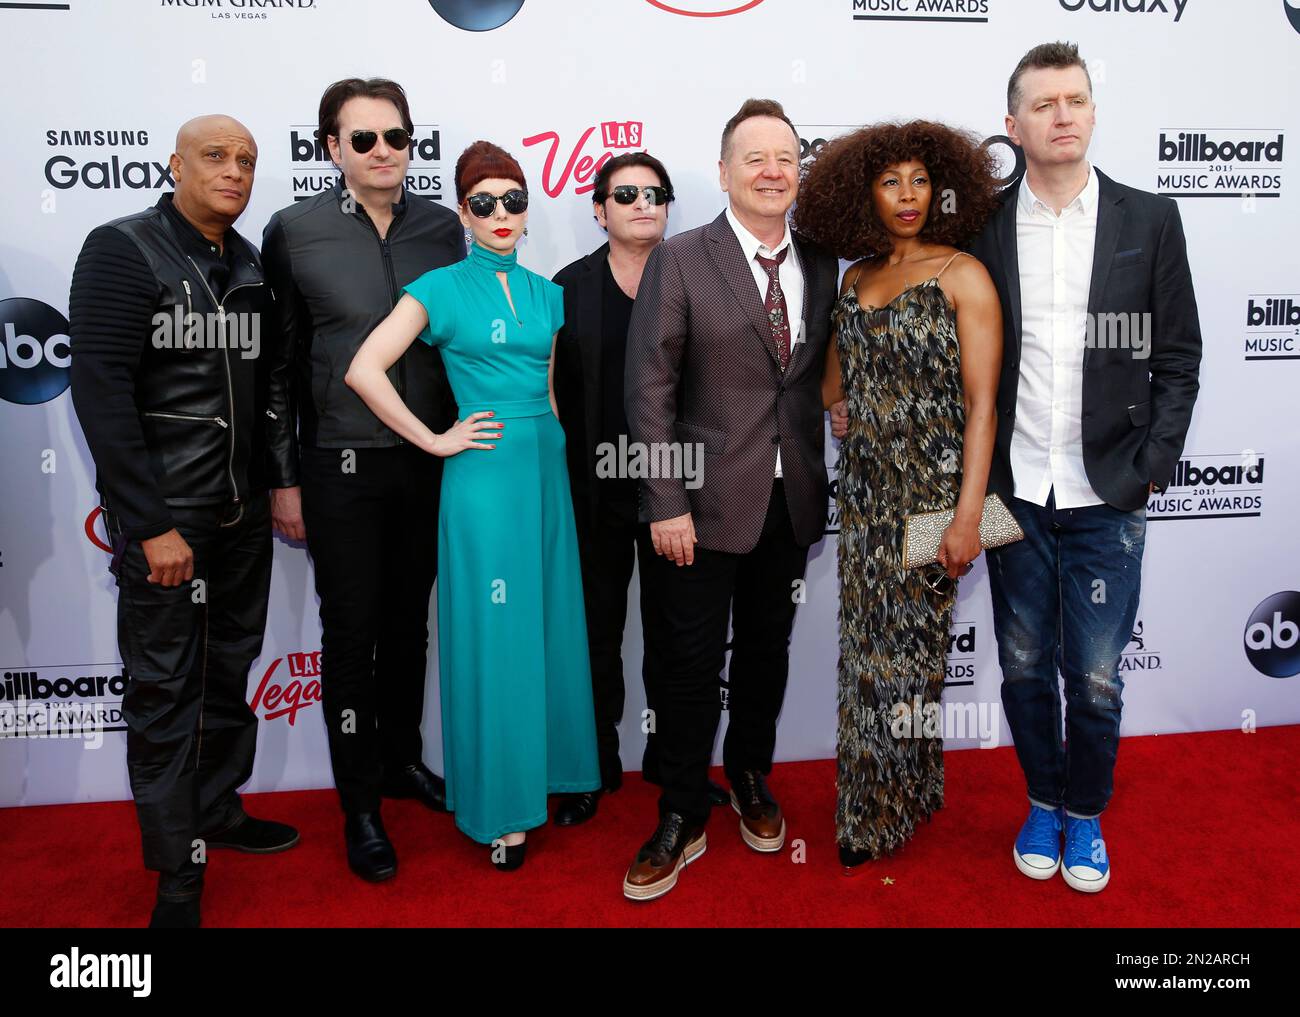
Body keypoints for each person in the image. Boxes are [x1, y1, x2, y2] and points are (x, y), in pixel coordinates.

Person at [839, 43, 1204, 892]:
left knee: (1100, 677)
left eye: (1076, 99)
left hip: (1109, 491)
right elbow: (927, 328)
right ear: (1014, 125)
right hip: (1010, 497)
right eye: (1044, 104)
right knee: (1025, 664)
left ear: (1093, 110)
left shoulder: (1150, 219)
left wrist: (1154, 462)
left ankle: (1086, 817)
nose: (1064, 115)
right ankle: (1042, 800)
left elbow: (1178, 357)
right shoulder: (982, 227)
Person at [69, 115, 299, 928]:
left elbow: (271, 384)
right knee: (167, 691)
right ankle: (176, 876)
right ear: (174, 165)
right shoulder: (123, 248)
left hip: (240, 518)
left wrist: (281, 483)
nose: (234, 171)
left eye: (247, 160)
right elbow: (99, 390)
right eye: (215, 156)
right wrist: (150, 522)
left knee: (228, 671)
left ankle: (217, 812)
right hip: (171, 520)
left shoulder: (247, 264)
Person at [345, 140, 600, 871]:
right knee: (497, 637)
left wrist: (556, 456)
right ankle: (499, 808)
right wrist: (432, 437)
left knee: (548, 624)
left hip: (543, 468)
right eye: (483, 202)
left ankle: (550, 774)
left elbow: (549, 392)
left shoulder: (550, 293)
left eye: (513, 201)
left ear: (528, 211)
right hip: (482, 475)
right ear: (462, 212)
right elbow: (363, 368)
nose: (500, 214)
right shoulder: (441, 287)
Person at [621, 99, 839, 901]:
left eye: (786, 156)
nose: (773, 170)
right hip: (699, 511)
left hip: (791, 506)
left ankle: (750, 774)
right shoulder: (681, 258)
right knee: (685, 666)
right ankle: (680, 810)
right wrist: (666, 501)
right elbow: (649, 391)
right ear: (722, 173)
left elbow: (814, 374)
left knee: (765, 655)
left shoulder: (820, 260)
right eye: (754, 158)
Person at [261, 78, 464, 883]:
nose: (385, 152)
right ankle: (359, 806)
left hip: (429, 460)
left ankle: (402, 762)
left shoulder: (446, 228)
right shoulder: (294, 231)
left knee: (410, 624)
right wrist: (283, 478)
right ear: (332, 149)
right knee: (351, 635)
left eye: (398, 137)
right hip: (337, 467)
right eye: (366, 138)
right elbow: (277, 364)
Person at [796, 121, 1003, 872]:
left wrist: (968, 516)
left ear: (942, 187)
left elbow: (983, 406)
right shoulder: (853, 280)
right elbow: (831, 385)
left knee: (907, 658)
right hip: (868, 499)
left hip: (933, 501)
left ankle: (875, 815)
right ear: (866, 195)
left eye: (920, 180)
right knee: (866, 656)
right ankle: (904, 789)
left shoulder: (963, 275)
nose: (908, 196)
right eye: (891, 183)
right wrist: (842, 403)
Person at [552, 152, 727, 825]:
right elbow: (551, 394)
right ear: (599, 210)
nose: (642, 203)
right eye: (625, 194)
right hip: (594, 492)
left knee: (679, 639)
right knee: (595, 636)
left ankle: (669, 760)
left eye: (655, 193)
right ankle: (592, 766)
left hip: (676, 493)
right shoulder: (565, 288)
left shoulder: (699, 278)